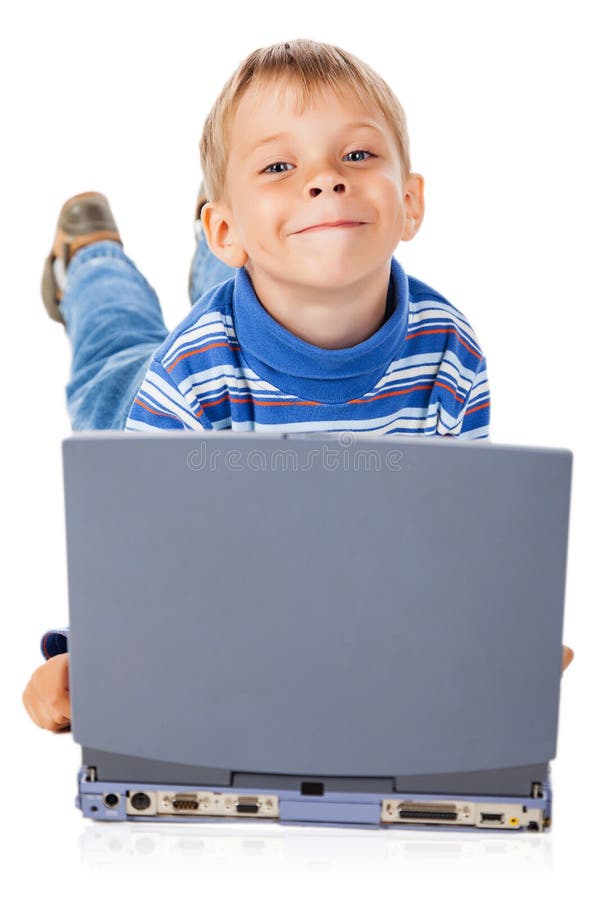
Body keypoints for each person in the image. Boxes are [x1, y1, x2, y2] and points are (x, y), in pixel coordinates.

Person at [22, 39, 574, 732]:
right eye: (282, 165)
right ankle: (91, 256)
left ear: (410, 203)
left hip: (253, 290)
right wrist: (90, 660)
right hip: (157, 396)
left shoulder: (447, 350)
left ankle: (235, 241)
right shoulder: (183, 376)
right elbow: (146, 562)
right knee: (117, 345)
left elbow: (449, 538)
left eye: (357, 155)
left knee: (282, 260)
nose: (326, 181)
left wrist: (495, 639)